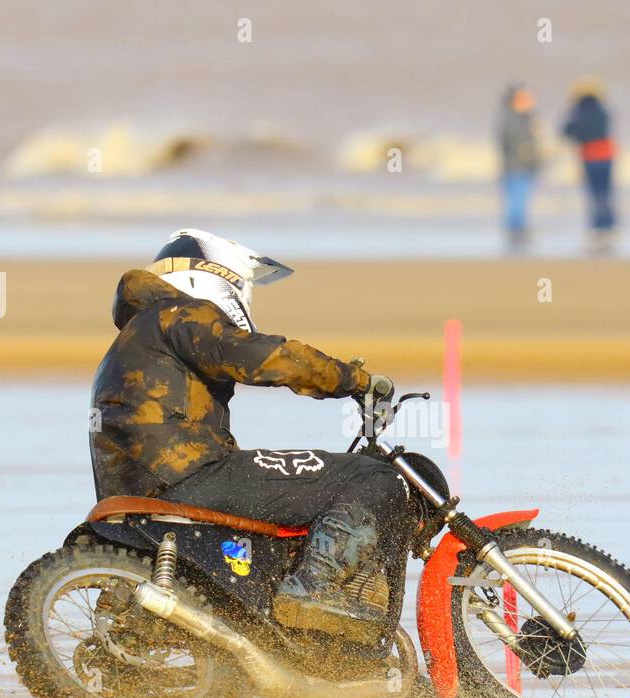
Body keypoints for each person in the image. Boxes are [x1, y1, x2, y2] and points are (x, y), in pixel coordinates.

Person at [90, 228, 413, 643]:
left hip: (140, 488)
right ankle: (314, 588)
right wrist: (354, 379)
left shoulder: (133, 336)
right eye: (242, 284)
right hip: (190, 476)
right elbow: (260, 357)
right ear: (211, 276)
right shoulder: (181, 314)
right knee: (370, 476)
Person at [561, 77, 617, 251]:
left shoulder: (579, 113)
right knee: (605, 193)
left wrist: (573, 117)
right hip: (606, 155)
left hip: (590, 156)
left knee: (594, 194)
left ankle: (599, 229)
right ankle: (608, 227)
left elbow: (568, 132)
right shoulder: (603, 111)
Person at [498, 83, 542, 250]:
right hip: (515, 166)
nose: (529, 100)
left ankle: (519, 231)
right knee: (516, 201)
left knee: (521, 200)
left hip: (526, 166)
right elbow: (510, 141)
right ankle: (516, 232)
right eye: (524, 98)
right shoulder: (511, 118)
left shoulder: (527, 117)